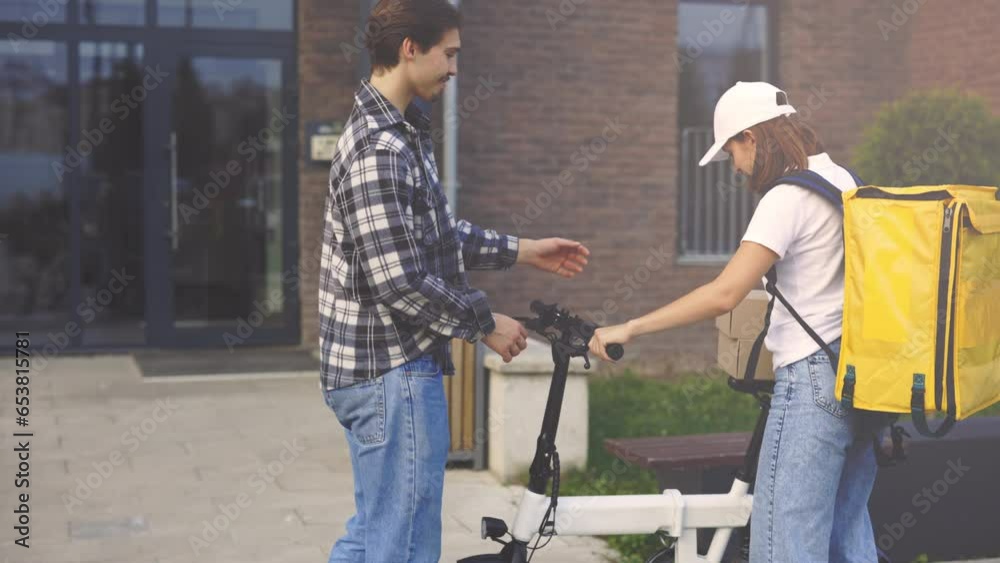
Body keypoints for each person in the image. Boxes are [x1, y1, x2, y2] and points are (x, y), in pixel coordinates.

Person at [319, 1, 590, 561]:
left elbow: (434, 234)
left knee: (376, 532)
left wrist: (525, 250)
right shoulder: (378, 146)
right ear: (409, 48)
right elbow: (399, 279)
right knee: (405, 541)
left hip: (385, 372)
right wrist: (485, 322)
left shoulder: (400, 136)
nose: (455, 69)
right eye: (449, 53)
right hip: (389, 372)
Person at [589, 81, 887, 562]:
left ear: (751, 136)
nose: (736, 164)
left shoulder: (785, 198)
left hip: (811, 384)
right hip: (859, 379)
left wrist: (631, 327)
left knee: (785, 544)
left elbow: (725, 293)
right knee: (847, 538)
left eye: (732, 150)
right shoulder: (841, 179)